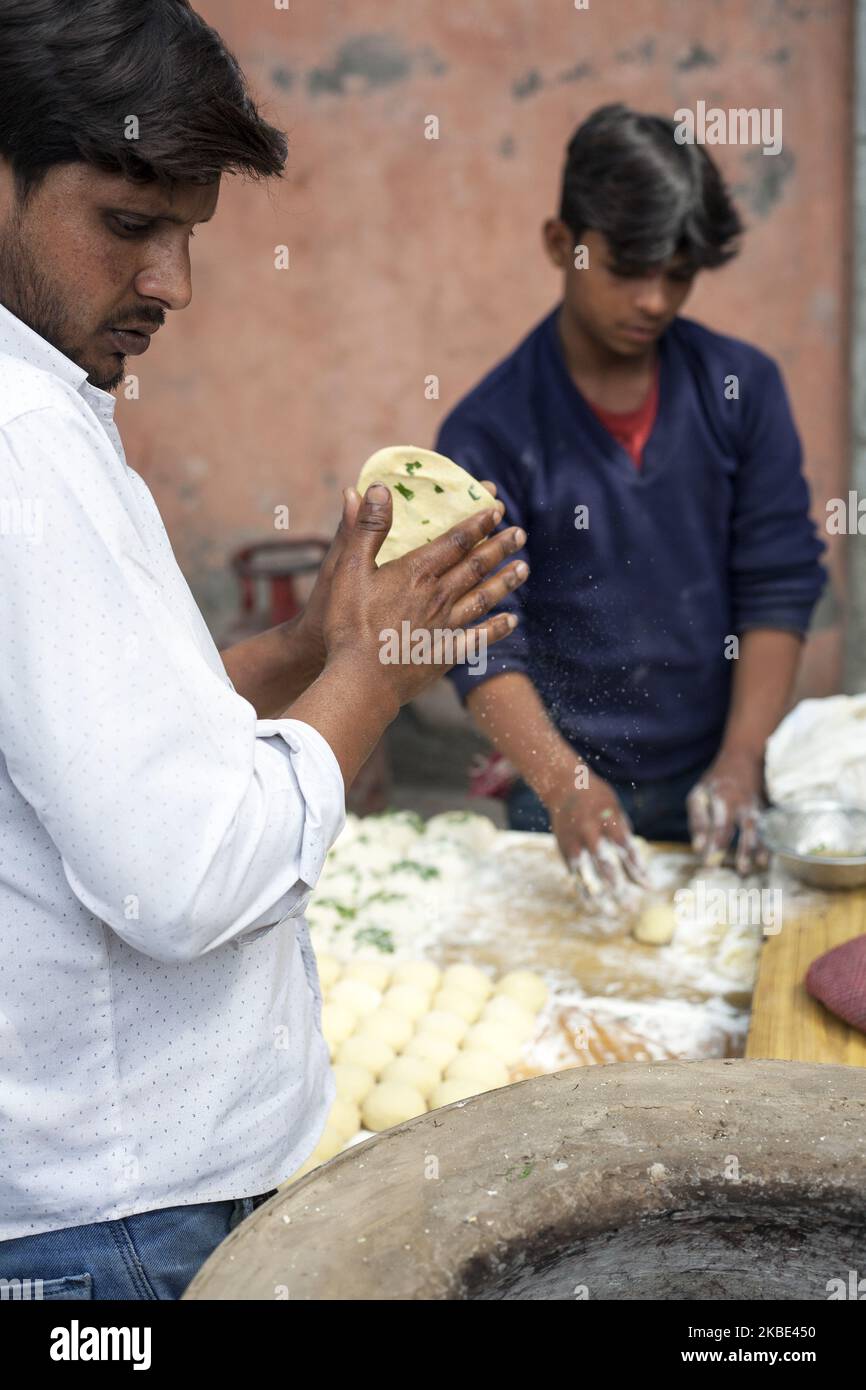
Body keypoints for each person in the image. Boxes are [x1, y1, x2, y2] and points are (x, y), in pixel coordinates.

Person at [0, 0, 527, 1299]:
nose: (173, 282)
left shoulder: (53, 408)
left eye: (186, 234)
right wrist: (372, 677)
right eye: (129, 226)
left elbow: (121, 745)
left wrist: (302, 648)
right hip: (116, 1222)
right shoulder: (21, 446)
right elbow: (179, 878)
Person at [437, 103, 826, 913]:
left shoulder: (741, 390)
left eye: (677, 275)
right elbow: (476, 638)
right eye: (627, 268)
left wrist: (743, 760)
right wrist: (564, 782)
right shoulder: (489, 431)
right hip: (557, 788)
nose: (653, 300)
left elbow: (779, 582)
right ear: (560, 244)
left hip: (718, 778)